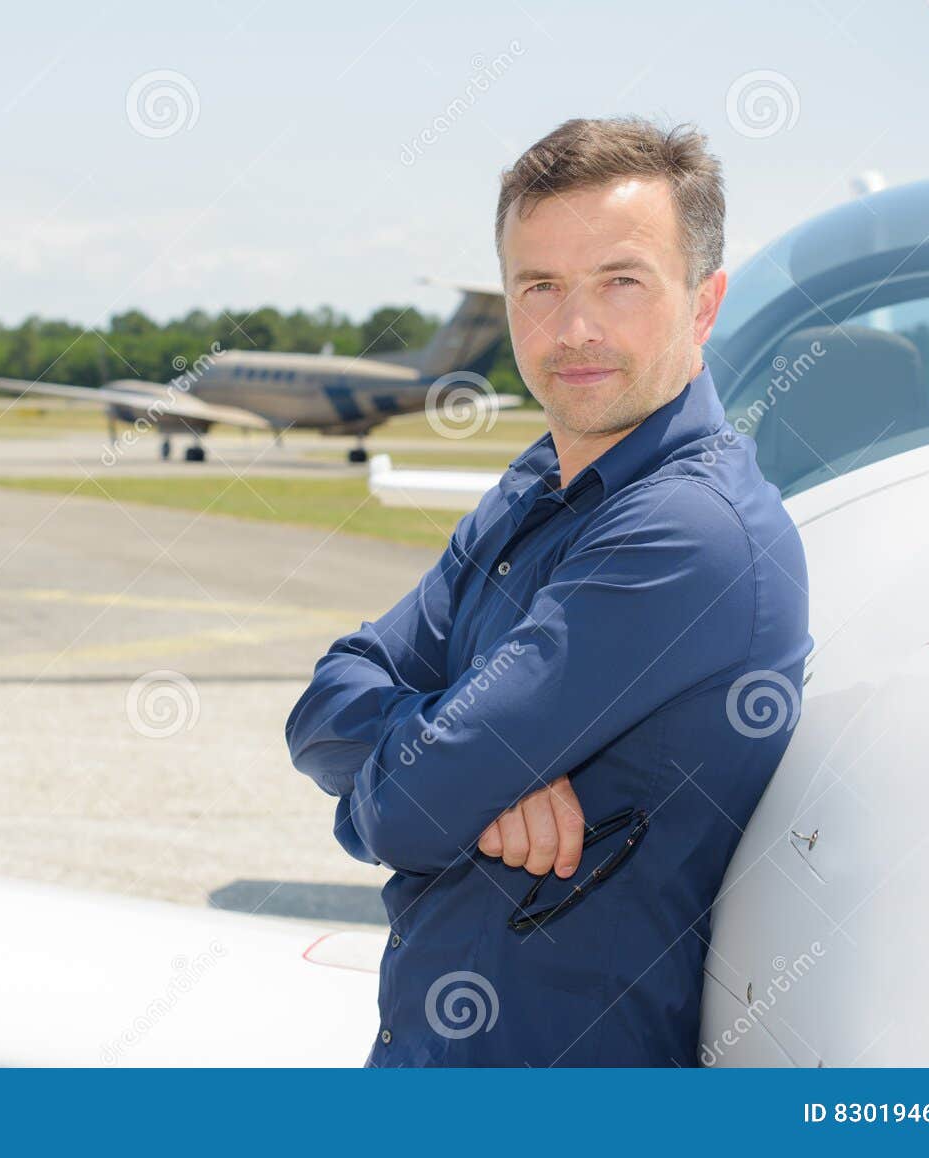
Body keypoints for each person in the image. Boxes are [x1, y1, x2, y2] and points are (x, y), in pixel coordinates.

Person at [284, 116, 813, 1066]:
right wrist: (467, 774)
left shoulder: (687, 536)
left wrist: (442, 779)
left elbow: (409, 810)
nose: (574, 330)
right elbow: (326, 701)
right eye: (540, 286)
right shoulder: (537, 484)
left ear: (703, 303)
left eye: (622, 282)